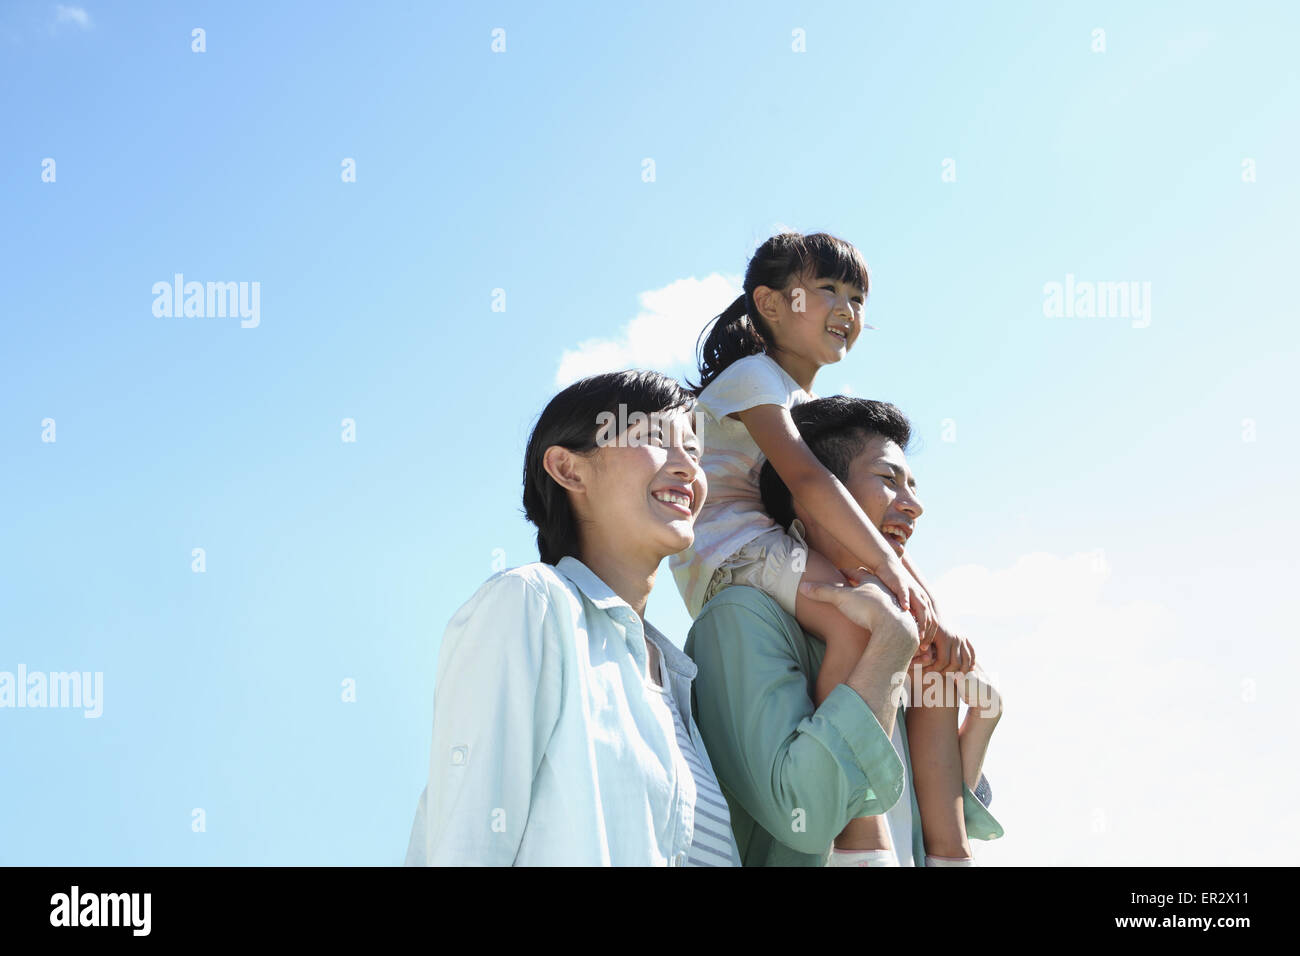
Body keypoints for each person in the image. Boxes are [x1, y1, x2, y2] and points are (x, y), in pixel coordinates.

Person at [670, 231, 970, 864]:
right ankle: (857, 836)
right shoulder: (756, 379)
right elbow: (810, 485)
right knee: (865, 628)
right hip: (731, 547)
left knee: (903, 631)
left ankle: (943, 847)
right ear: (771, 305)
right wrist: (893, 578)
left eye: (857, 297)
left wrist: (927, 602)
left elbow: (842, 517)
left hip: (773, 539)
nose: (847, 309)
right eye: (827, 290)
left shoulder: (802, 401)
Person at [404, 370, 740, 866]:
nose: (686, 467)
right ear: (568, 469)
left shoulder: (679, 678)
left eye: (693, 451)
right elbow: (468, 839)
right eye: (653, 438)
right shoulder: (531, 604)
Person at [685, 396, 1005, 865]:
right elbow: (805, 813)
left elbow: (930, 823)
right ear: (817, 494)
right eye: (887, 480)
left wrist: (981, 721)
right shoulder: (743, 619)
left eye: (912, 486)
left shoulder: (910, 632)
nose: (914, 506)